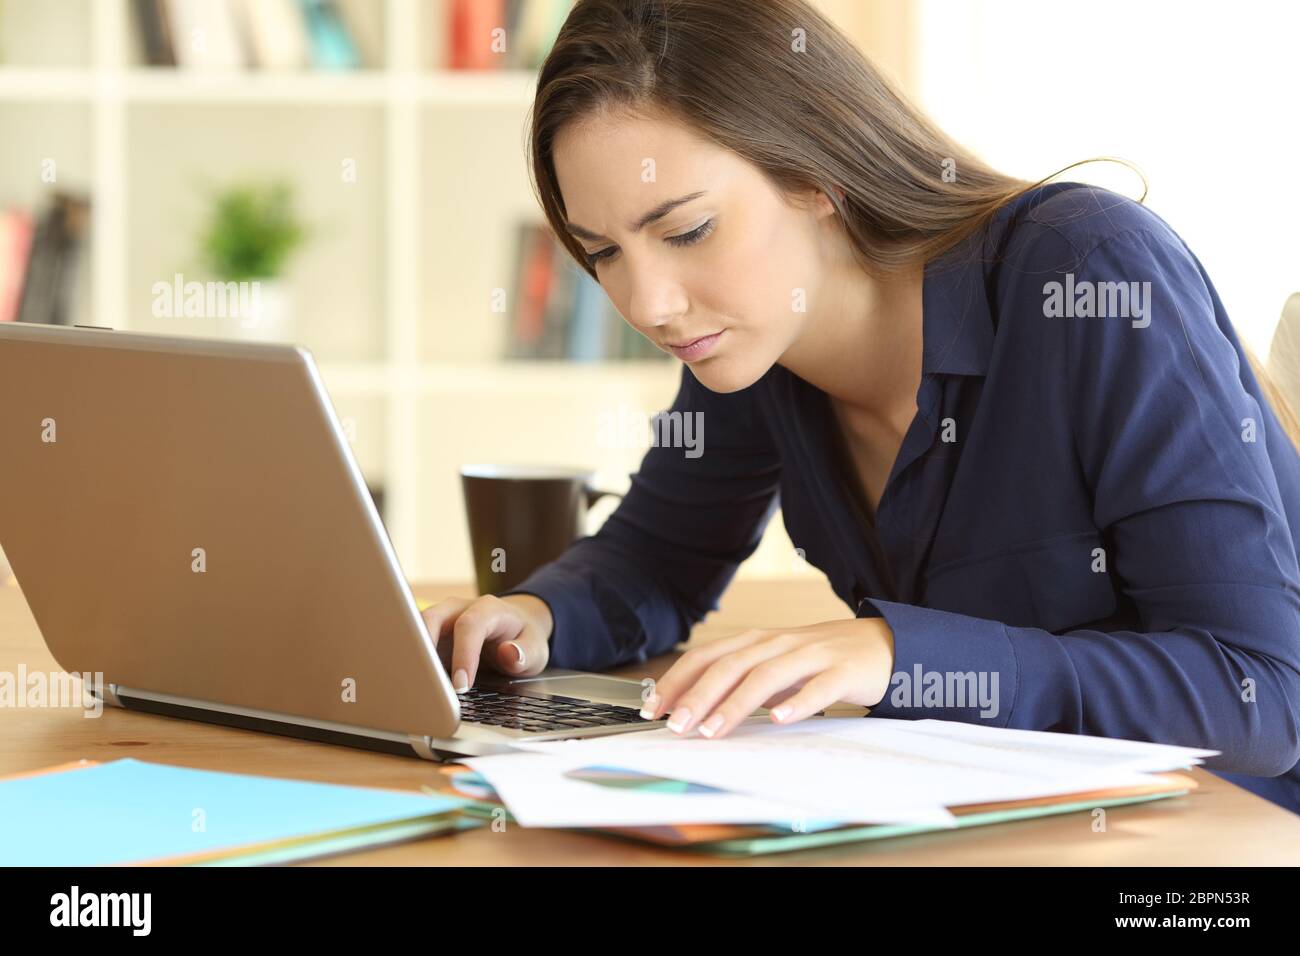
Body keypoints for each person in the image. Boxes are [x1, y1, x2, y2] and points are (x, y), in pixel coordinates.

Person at [422, 0, 1300, 814]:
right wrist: (536, 617)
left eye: (686, 231)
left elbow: (1259, 690)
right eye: (604, 251)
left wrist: (896, 656)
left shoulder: (1086, 271)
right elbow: (657, 560)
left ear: (816, 173)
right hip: (1008, 819)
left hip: (1227, 832)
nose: (647, 303)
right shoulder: (750, 338)